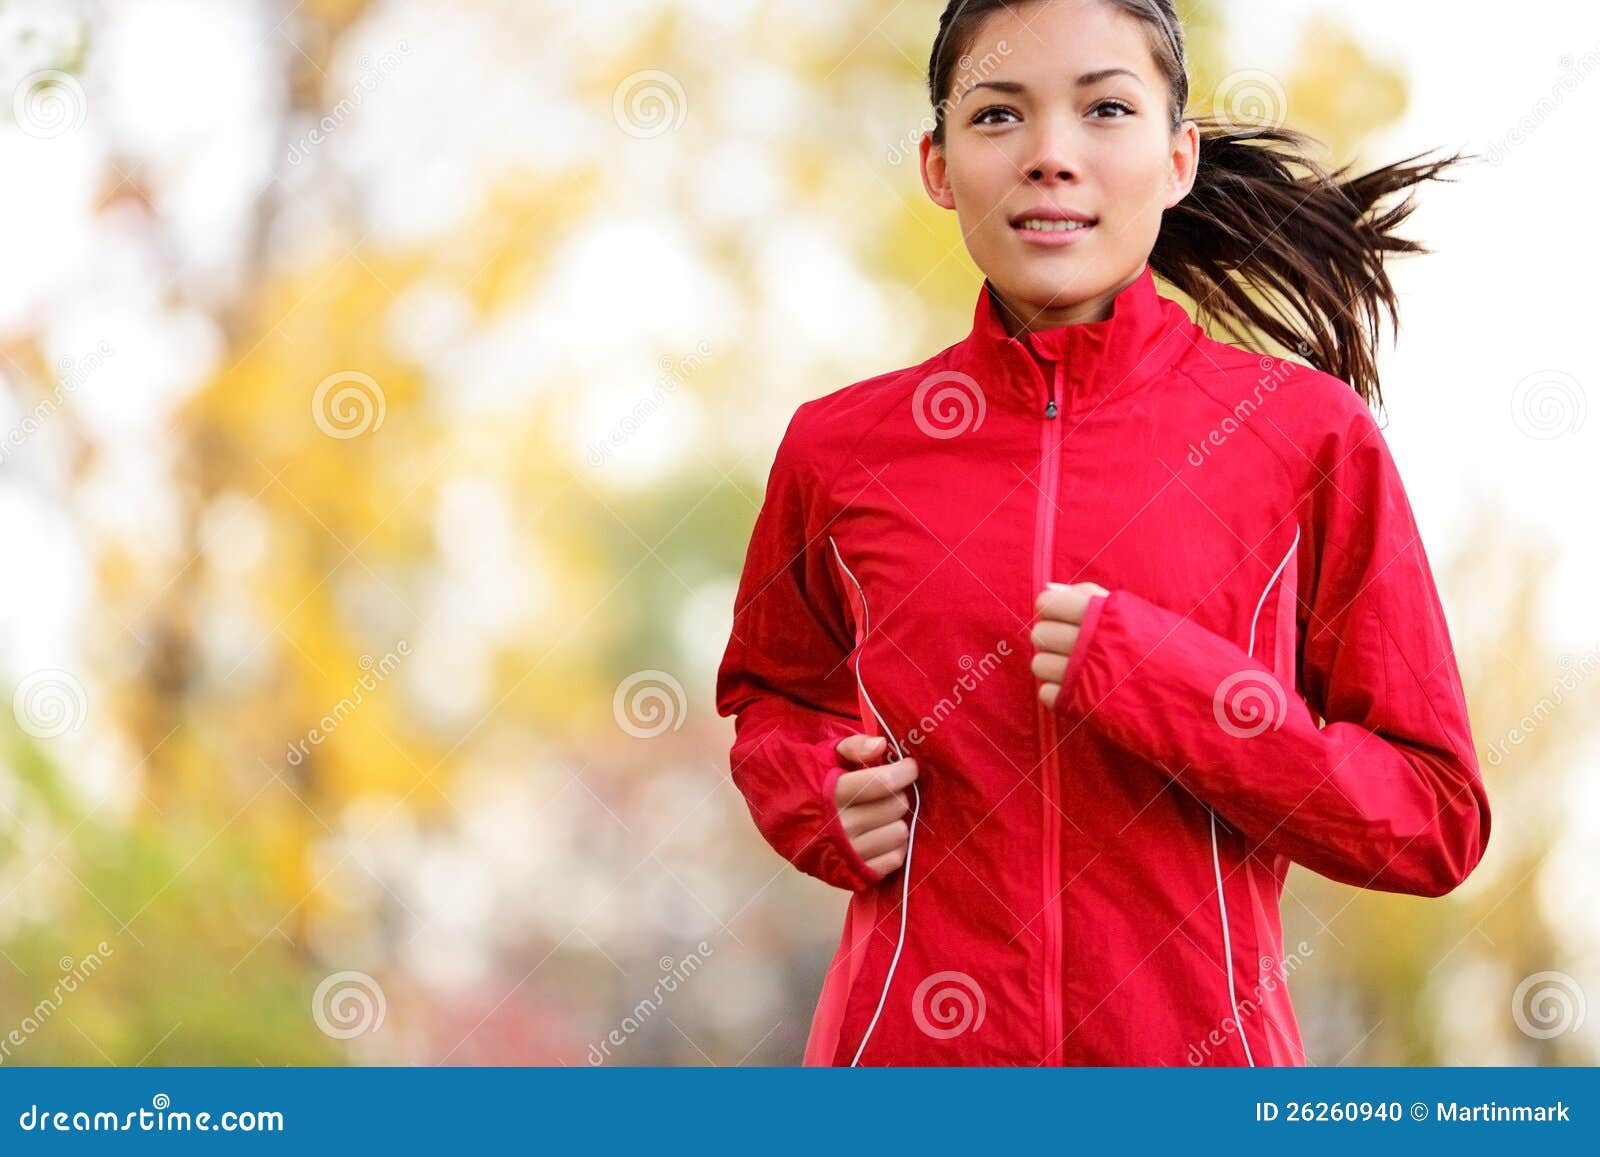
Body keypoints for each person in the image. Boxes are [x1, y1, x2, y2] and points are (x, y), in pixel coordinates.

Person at [714, 0, 1491, 1066]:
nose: (1049, 156)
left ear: (1176, 158)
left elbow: (1432, 817)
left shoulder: (1307, 439)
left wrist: (1167, 683)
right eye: (997, 117)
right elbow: (773, 698)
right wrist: (817, 798)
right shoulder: (837, 447)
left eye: (1105, 109)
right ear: (938, 167)